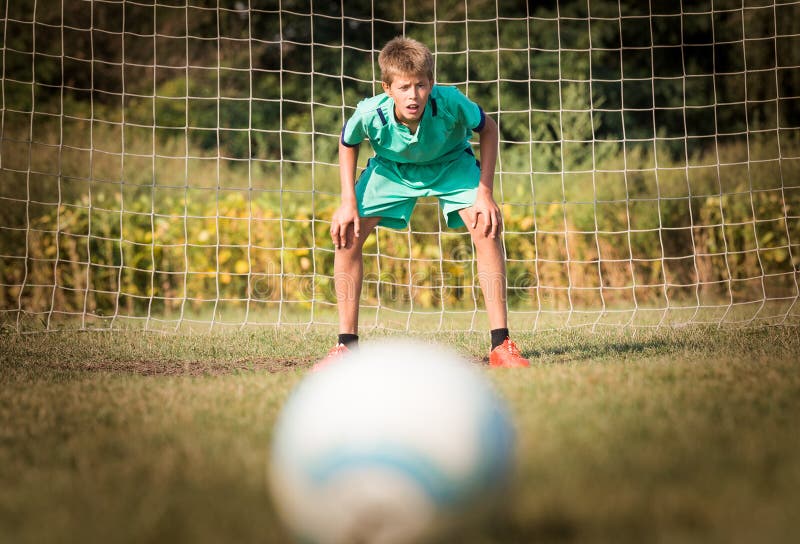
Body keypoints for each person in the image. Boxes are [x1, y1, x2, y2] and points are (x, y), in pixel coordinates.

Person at [315, 36, 529, 370]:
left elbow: (488, 129)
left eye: (420, 86)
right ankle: (346, 348)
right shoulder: (370, 112)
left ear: (432, 83)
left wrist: (484, 193)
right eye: (403, 87)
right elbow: (347, 141)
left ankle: (501, 345)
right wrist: (347, 202)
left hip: (451, 165)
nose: (413, 96)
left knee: (486, 228)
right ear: (388, 87)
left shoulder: (451, 101)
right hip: (391, 170)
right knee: (347, 236)